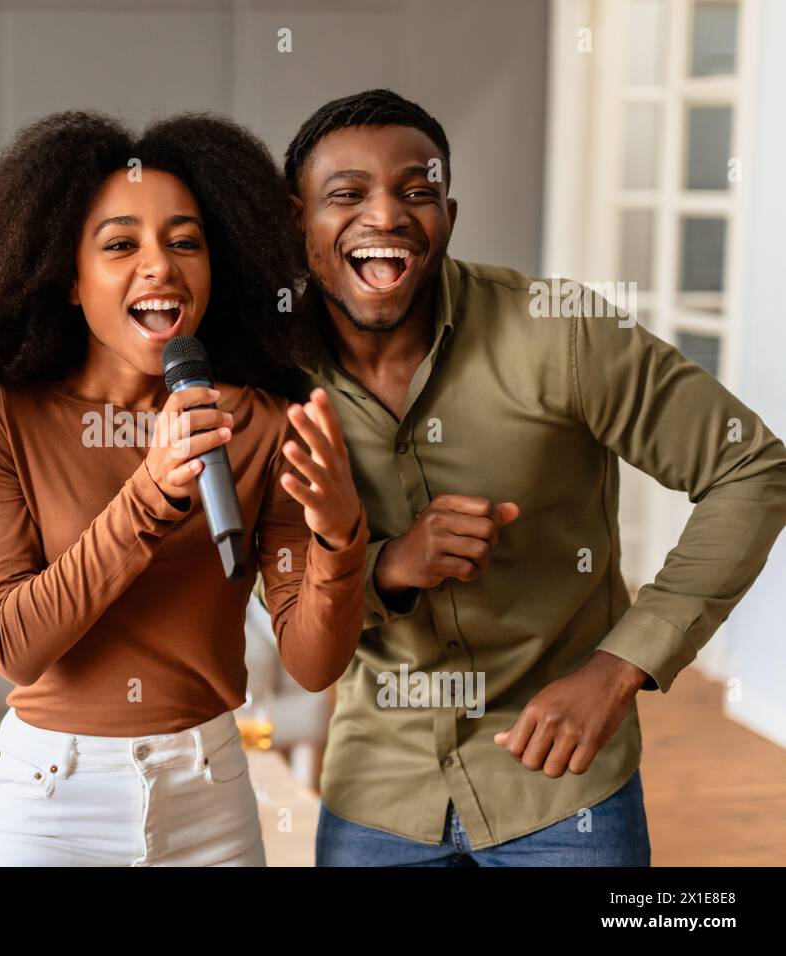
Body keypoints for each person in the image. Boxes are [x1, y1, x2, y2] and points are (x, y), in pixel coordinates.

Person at [282, 89, 786, 866]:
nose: (386, 215)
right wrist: (389, 564)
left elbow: (751, 465)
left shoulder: (560, 333)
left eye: (416, 191)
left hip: (562, 789)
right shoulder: (272, 379)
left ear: (447, 215)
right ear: (296, 220)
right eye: (346, 194)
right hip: (378, 792)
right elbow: (282, 595)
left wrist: (621, 668)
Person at [0, 110, 370, 867]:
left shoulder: (261, 424)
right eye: (122, 244)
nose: (160, 265)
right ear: (67, 277)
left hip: (210, 798)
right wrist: (148, 496)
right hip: (46, 805)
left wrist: (338, 534)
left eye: (185, 242)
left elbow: (313, 663)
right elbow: (12, 643)